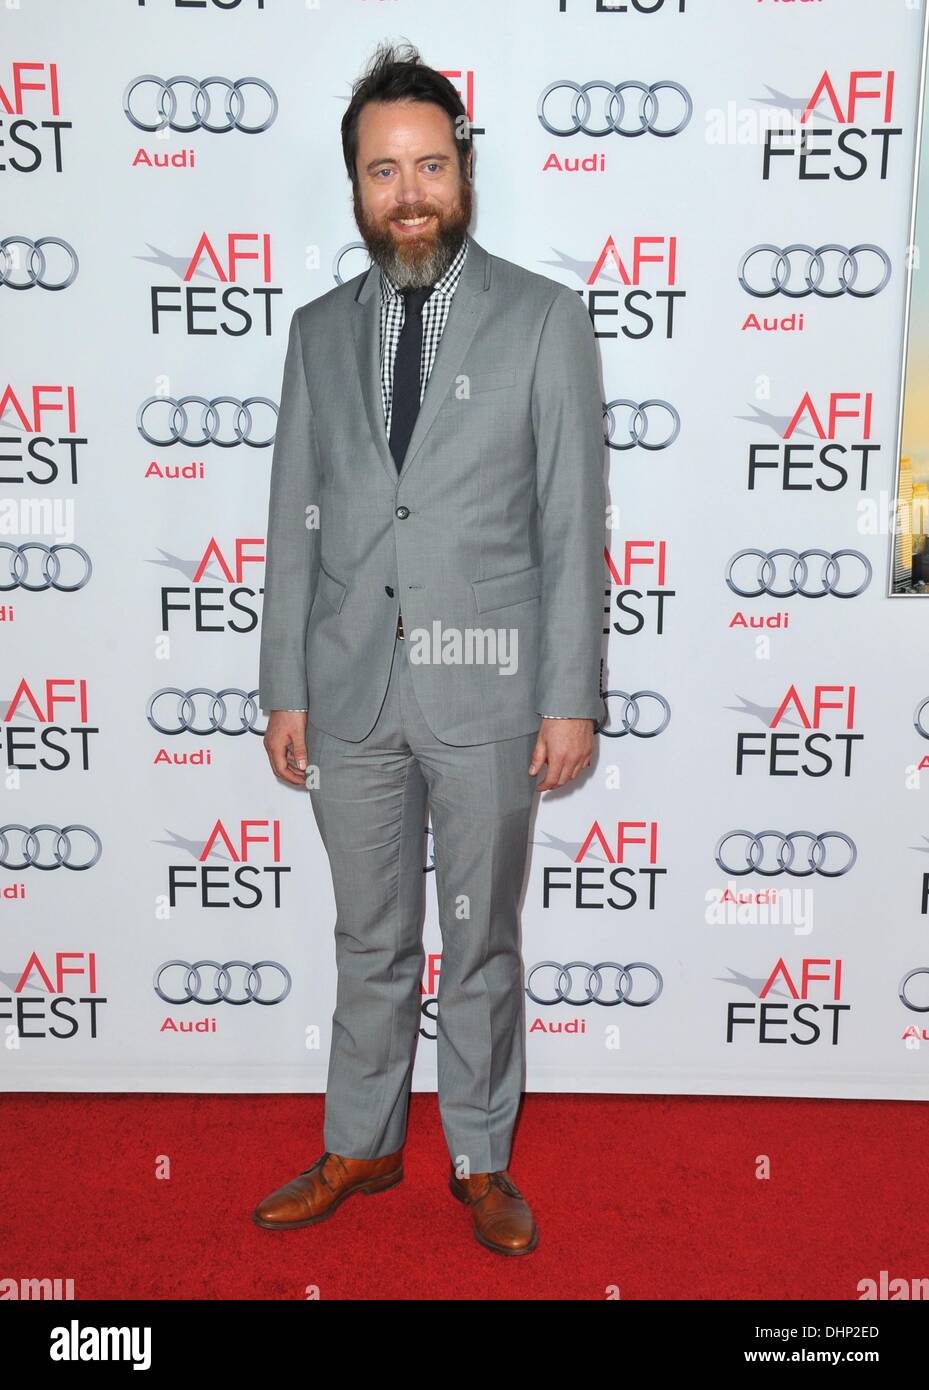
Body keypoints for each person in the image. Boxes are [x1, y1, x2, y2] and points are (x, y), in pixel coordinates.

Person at [253, 40, 605, 1256]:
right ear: (352, 187)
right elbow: (292, 519)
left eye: (429, 166)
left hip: (493, 688)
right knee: (368, 934)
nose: (408, 193)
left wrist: (568, 697)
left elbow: (569, 523)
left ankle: (478, 1153)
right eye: (381, 170)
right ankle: (361, 1140)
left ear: (464, 171)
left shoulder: (545, 321)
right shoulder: (313, 334)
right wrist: (284, 685)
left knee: (481, 932)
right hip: (347, 690)